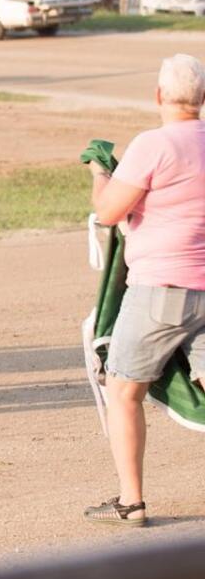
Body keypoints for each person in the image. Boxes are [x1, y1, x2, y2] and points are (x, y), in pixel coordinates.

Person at [85, 54, 205, 527]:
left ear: (158, 96)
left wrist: (99, 173)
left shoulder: (152, 145)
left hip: (163, 287)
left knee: (122, 390)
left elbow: (111, 211)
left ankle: (131, 501)